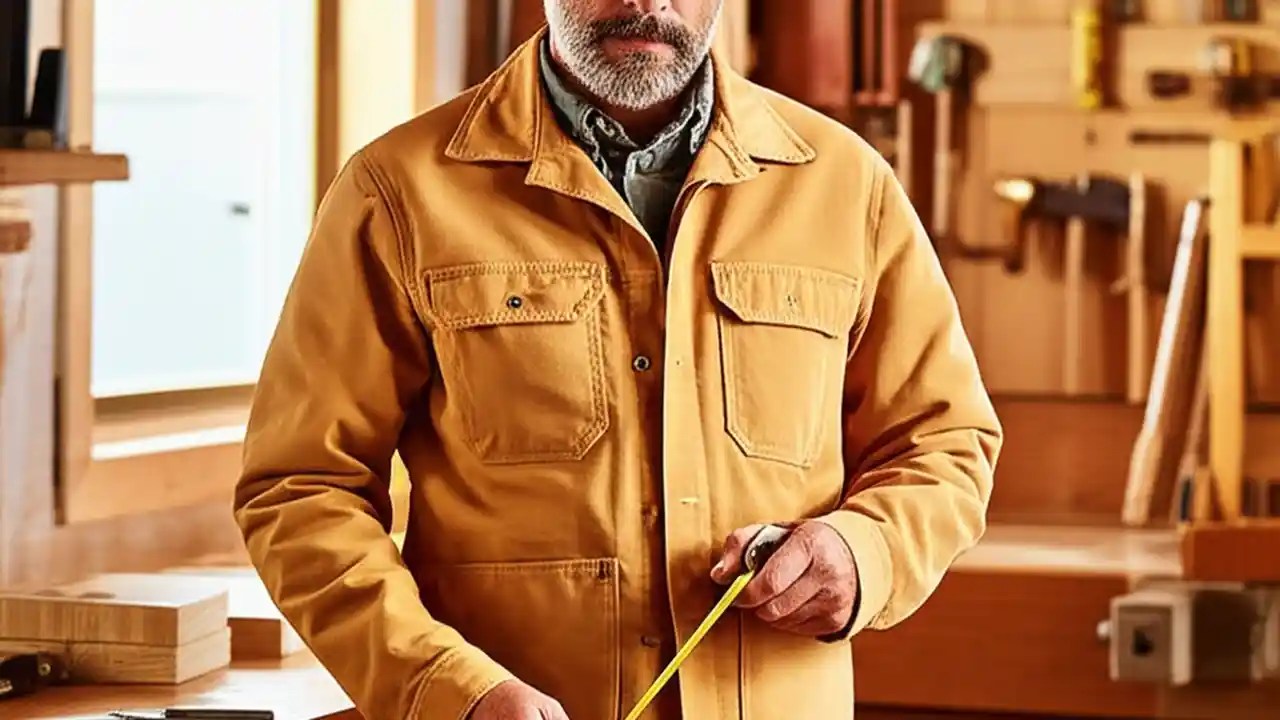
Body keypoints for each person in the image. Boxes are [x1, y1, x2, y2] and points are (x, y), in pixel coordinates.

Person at [232, 0, 1003, 718]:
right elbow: (302, 487)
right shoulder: (397, 191)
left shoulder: (847, 186)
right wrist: (443, 688)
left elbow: (943, 443)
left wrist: (864, 552)